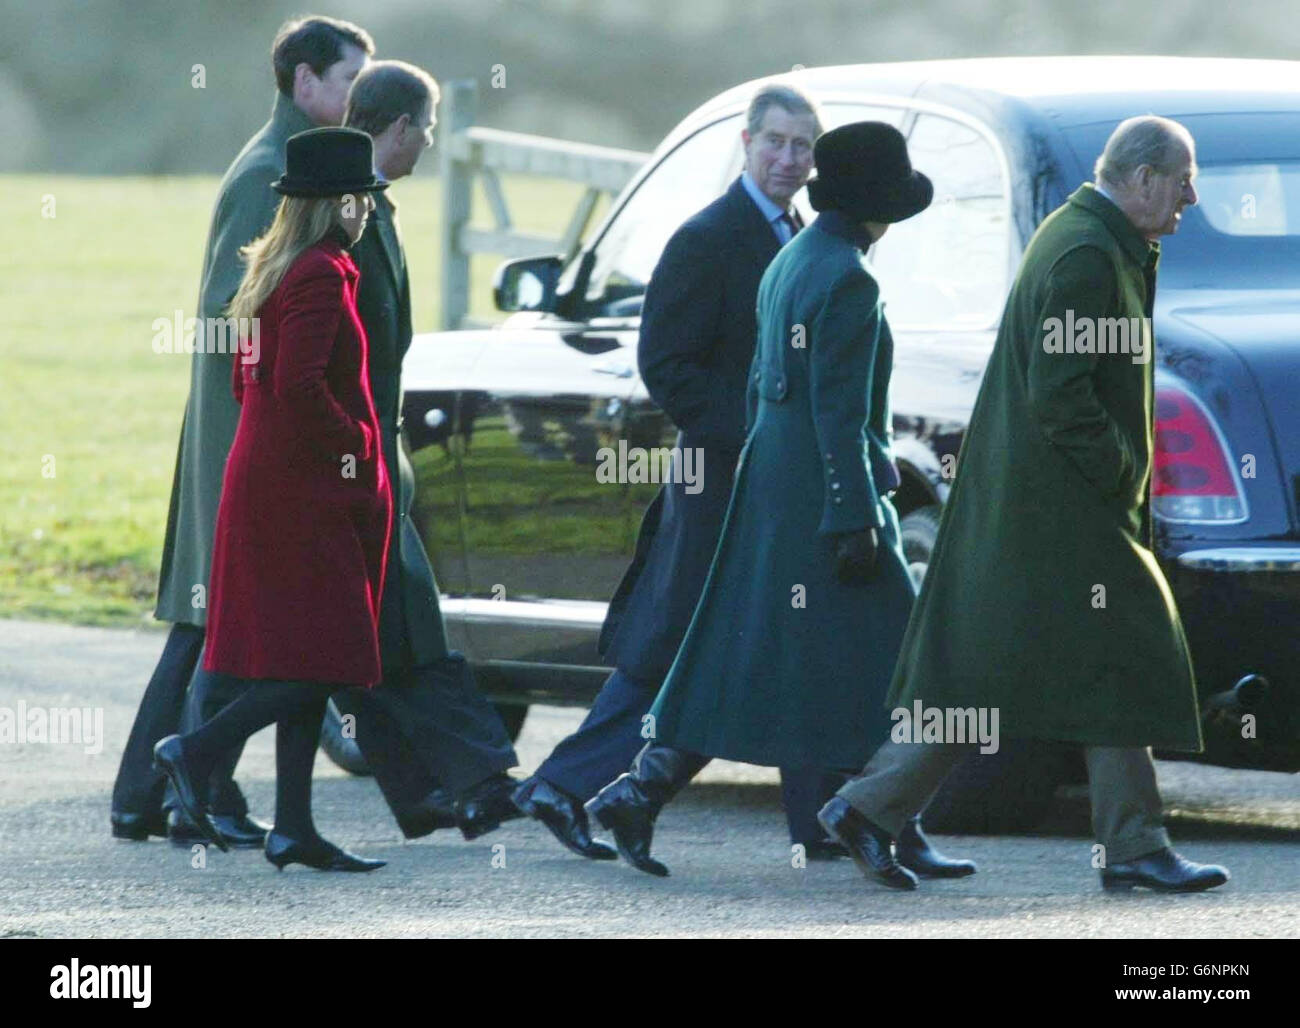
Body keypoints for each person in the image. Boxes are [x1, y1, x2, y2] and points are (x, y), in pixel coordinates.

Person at [819, 115, 1230, 893]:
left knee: (989, 672)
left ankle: (869, 810)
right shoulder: (1085, 253)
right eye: (1182, 182)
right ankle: (1133, 846)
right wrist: (1118, 473)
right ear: (1142, 179)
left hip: (1044, 510)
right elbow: (1060, 392)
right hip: (1063, 512)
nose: (1191, 197)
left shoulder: (1093, 238)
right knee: (1131, 651)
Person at [588, 123, 975, 881]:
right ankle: (881, 818)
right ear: (880, 206)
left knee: (757, 659)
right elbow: (839, 414)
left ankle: (641, 790)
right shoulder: (849, 279)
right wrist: (854, 517)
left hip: (773, 492)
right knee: (901, 661)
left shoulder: (794, 258)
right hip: (828, 503)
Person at [112, 16, 374, 847]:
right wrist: (296, 449)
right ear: (303, 81)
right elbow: (240, 330)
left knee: (223, 635)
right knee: (220, 633)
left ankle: (174, 796)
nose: (355, 99)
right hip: (262, 450)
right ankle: (177, 783)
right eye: (347, 83)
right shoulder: (272, 173)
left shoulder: (298, 167)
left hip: (264, 447)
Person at [155, 127, 391, 872]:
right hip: (303, 486)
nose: (370, 214)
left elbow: (246, 379)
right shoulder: (322, 271)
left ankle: (293, 826)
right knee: (325, 657)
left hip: (266, 476)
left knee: (303, 650)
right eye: (363, 201)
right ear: (336, 204)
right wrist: (354, 440)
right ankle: (194, 750)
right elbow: (298, 381)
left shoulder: (276, 265)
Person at [332, 60, 521, 840]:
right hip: (355, 460)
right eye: (428, 127)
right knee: (406, 625)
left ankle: (425, 792)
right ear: (401, 126)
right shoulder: (344, 207)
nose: (431, 143)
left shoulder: (368, 203)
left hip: (376, 457)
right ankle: (484, 779)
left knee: (378, 637)